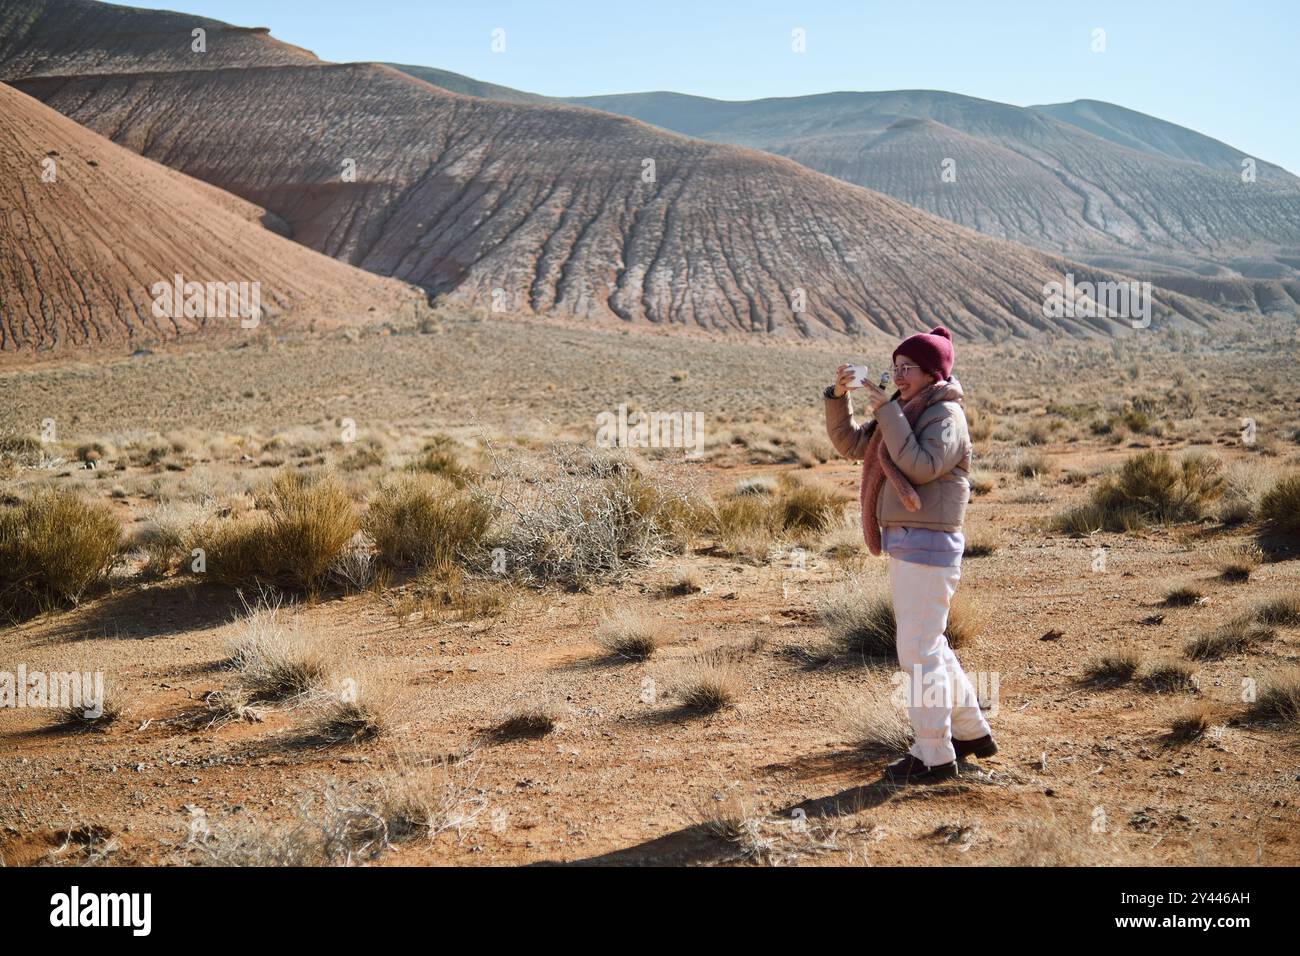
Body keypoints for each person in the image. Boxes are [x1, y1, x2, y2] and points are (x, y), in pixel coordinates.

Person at [823, 326, 997, 784]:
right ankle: (971, 731)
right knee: (930, 645)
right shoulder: (902, 410)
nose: (899, 376)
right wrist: (838, 396)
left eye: (908, 369)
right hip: (909, 541)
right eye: (895, 367)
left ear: (933, 373)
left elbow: (919, 465)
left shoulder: (945, 416)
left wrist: (886, 410)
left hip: (929, 545)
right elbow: (851, 445)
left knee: (916, 653)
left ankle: (932, 755)